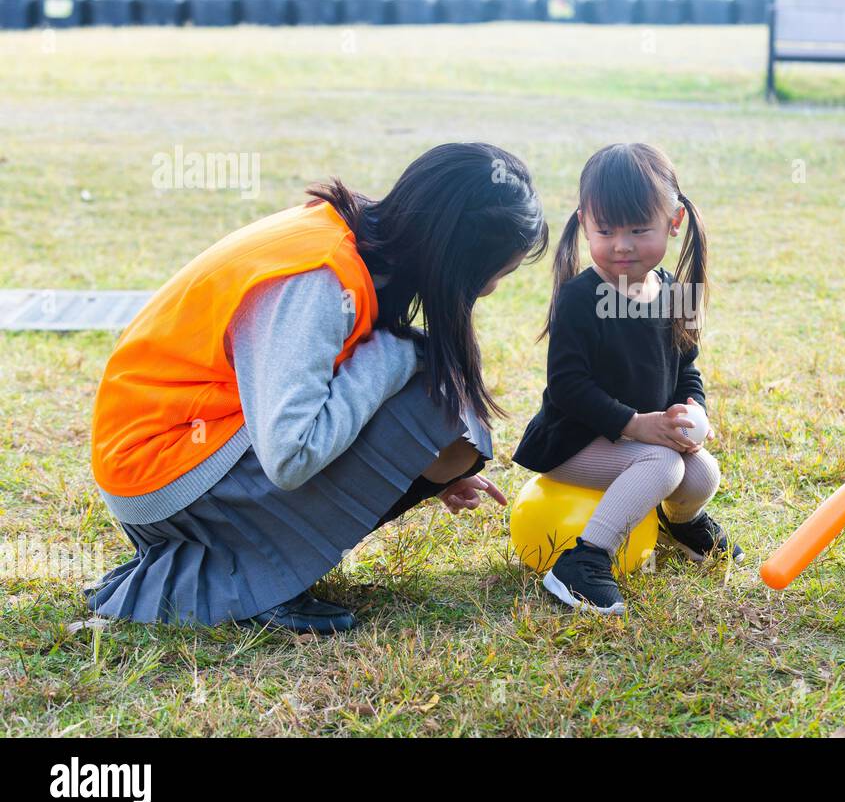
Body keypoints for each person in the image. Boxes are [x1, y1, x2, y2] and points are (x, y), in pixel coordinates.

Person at [86, 143, 547, 633]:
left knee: (444, 423)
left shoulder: (353, 243)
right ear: (456, 256)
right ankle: (243, 579)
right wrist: (395, 356)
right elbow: (290, 456)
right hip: (162, 478)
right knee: (434, 406)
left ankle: (255, 566)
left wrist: (419, 464)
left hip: (187, 459)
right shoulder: (319, 279)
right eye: (497, 273)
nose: (491, 289)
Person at [512, 143, 739, 615]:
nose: (621, 244)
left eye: (639, 229)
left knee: (701, 471)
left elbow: (686, 369)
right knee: (664, 466)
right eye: (606, 230)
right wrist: (635, 424)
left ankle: (681, 525)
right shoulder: (581, 297)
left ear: (673, 223)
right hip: (573, 443)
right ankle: (582, 561)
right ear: (583, 222)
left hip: (637, 443)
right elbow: (567, 387)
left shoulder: (674, 293)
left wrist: (692, 408)